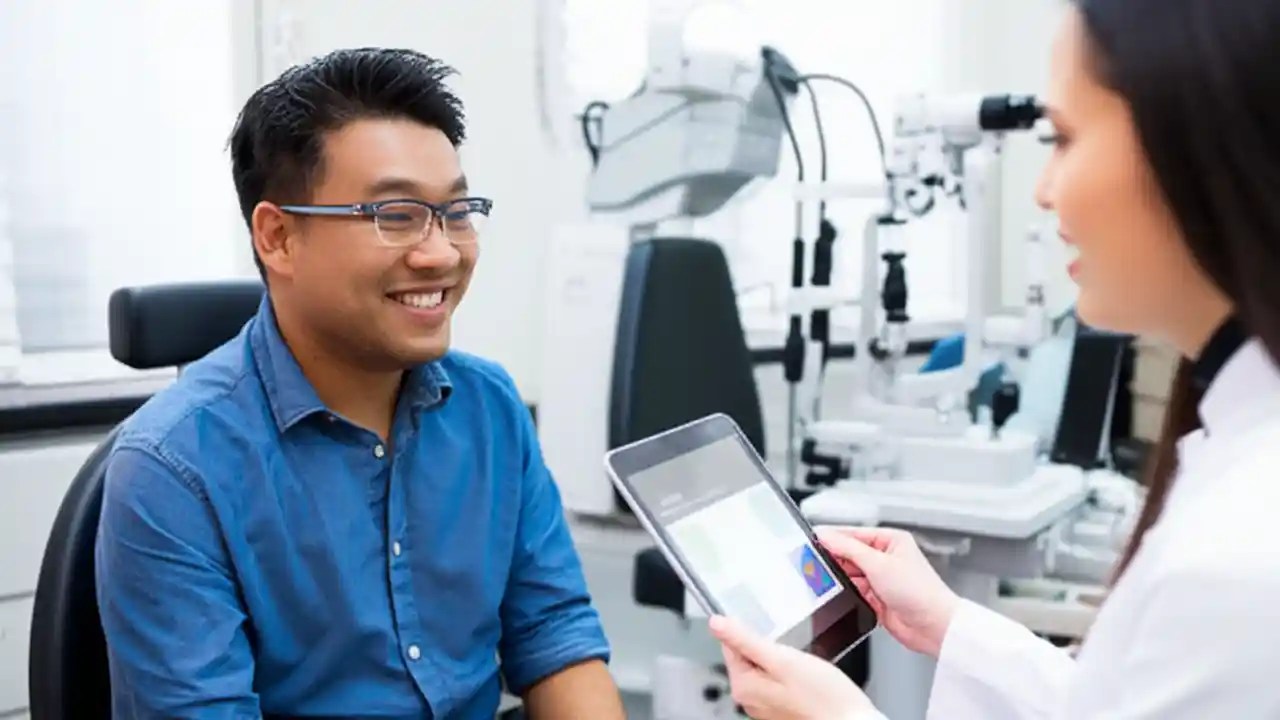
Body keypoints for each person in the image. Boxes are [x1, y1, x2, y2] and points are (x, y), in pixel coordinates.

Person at [708, 0, 1280, 717]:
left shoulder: (1238, 563)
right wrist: (949, 625)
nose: (1043, 190)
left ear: (1200, 143)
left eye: (1065, 138)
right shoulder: (1238, 472)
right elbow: (1115, 704)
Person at [95, 48, 626, 719]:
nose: (440, 252)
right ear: (279, 236)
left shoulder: (490, 409)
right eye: (395, 215)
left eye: (457, 212)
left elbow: (556, 638)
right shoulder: (173, 469)